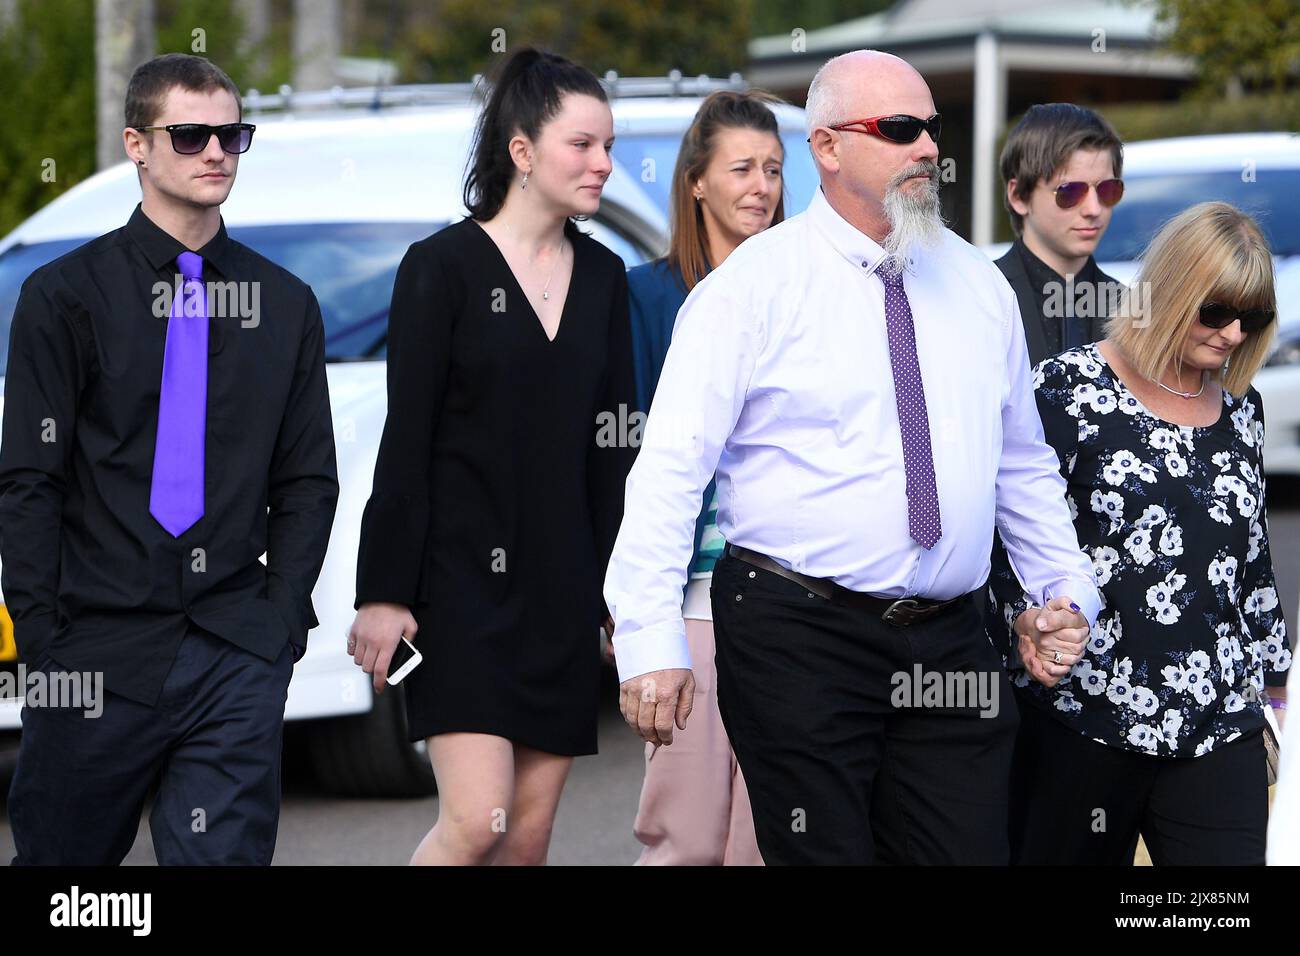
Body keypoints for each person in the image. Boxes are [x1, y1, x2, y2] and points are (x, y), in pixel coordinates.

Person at [603, 49, 1102, 865]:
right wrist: (650, 640)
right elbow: (669, 466)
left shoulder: (979, 287)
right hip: (798, 632)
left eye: (931, 130)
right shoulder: (749, 288)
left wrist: (1061, 590)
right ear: (827, 147)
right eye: (898, 129)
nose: (927, 150)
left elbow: (1021, 463)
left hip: (950, 641)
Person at [0, 53, 339, 865]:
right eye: (190, 135)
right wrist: (44, 643)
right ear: (137, 145)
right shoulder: (63, 296)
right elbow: (29, 481)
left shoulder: (284, 304)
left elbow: (306, 481)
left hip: (234, 651)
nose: (216, 152)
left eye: (231, 134)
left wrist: (279, 625)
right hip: (94, 654)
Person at [348, 47, 637, 866]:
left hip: (563, 593)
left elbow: (611, 452)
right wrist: (383, 593)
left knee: (526, 841)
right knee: (478, 822)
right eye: (582, 145)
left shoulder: (605, 278)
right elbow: (405, 444)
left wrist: (621, 593)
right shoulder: (439, 269)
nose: (603, 164)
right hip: (458, 596)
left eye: (608, 145)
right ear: (521, 151)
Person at [988, 201, 1290, 865]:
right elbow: (1004, 538)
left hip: (1220, 727)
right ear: (1172, 291)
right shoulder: (1067, 390)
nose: (1234, 334)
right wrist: (1025, 623)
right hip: (1082, 718)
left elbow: (1254, 565)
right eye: (1216, 311)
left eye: (1254, 317)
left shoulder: (1243, 411)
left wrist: (1277, 685)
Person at [624, 90, 786, 867]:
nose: (762, 186)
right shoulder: (645, 297)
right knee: (684, 834)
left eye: (775, 170)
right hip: (690, 596)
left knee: (767, 836)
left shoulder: (804, 287)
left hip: (791, 593)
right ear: (696, 181)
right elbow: (627, 453)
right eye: (743, 168)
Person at [995, 103, 1127, 366]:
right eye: (1070, 192)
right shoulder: (979, 297)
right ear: (1018, 195)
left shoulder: (1131, 310)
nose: (1093, 209)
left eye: (1108, 190)